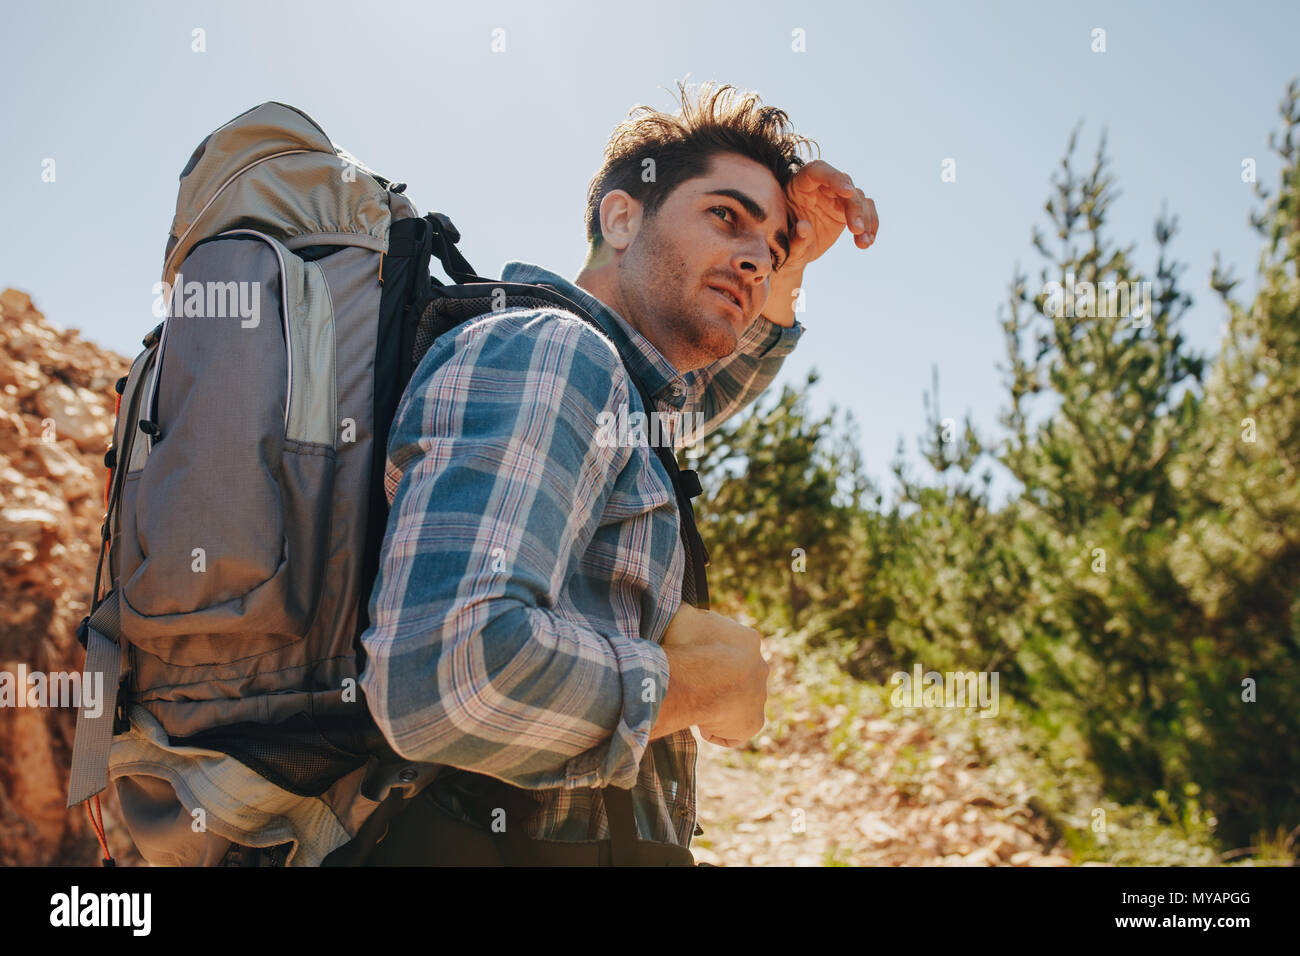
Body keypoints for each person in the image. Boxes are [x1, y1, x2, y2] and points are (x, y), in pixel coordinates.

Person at [357, 80, 879, 865]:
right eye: (726, 216)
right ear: (622, 215)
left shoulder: (619, 396)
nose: (753, 259)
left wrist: (793, 262)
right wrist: (690, 686)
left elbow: (707, 388)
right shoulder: (554, 353)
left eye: (767, 250)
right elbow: (441, 677)